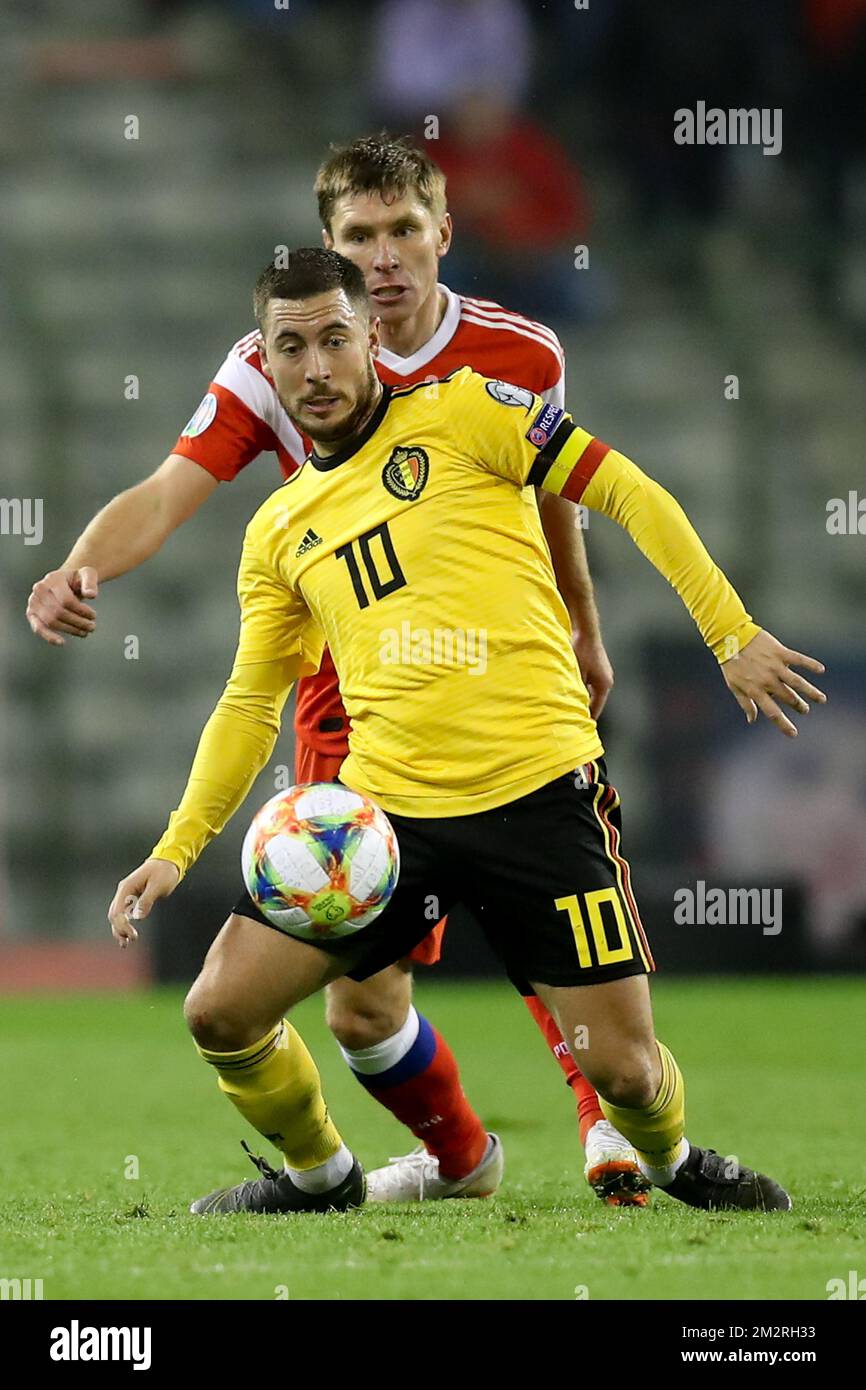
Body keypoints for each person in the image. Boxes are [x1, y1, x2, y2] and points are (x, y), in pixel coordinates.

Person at [108, 248, 824, 1216]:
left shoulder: (468, 411)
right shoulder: (279, 528)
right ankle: (322, 1177)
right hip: (387, 823)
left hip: (538, 797)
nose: (315, 367)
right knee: (219, 1009)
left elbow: (625, 490)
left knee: (623, 1073)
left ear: (372, 340)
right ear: (265, 366)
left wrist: (728, 632)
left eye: (332, 339)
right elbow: (248, 703)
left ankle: (668, 1154)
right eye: (290, 348)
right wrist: (174, 848)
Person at [26, 135, 646, 1207]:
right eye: (361, 235)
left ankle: (605, 1125)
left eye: (404, 229)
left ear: (441, 233)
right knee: (360, 1003)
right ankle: (455, 1161)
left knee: (535, 893)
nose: (388, 253)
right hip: (345, 705)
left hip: (492, 681)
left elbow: (556, 504)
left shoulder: (514, 356)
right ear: (331, 248)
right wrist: (79, 565)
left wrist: (582, 628)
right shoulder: (278, 360)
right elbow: (170, 490)